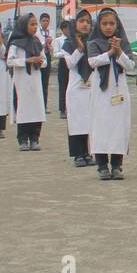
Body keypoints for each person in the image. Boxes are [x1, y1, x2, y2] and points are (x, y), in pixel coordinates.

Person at [86, 7, 134, 179]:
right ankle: (101, 165)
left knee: (118, 128)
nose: (108, 27)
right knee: (101, 127)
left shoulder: (122, 43)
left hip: (119, 91)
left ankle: (117, 165)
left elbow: (130, 66)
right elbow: (92, 62)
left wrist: (119, 51)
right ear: (98, 25)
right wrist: (109, 53)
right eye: (104, 23)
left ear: (117, 25)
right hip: (101, 93)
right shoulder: (93, 43)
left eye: (112, 23)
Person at [7, 13, 46, 150]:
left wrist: (40, 61)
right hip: (22, 81)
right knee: (23, 109)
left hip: (35, 80)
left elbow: (44, 60)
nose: (34, 27)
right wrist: (26, 60)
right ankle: (23, 139)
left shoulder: (37, 42)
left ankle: (35, 138)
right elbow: (10, 61)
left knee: (36, 108)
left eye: (36, 24)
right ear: (24, 25)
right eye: (32, 24)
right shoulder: (16, 44)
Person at [61, 9, 95, 167]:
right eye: (82, 21)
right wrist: (80, 49)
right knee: (76, 121)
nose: (85, 24)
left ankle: (88, 153)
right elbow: (70, 64)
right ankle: (78, 155)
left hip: (91, 87)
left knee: (89, 121)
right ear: (75, 24)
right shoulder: (69, 42)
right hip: (75, 88)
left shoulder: (94, 42)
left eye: (88, 22)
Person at [53, 20, 71, 118]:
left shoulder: (73, 39)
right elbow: (55, 53)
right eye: (66, 28)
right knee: (63, 86)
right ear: (63, 29)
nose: (68, 30)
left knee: (71, 86)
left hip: (72, 62)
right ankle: (62, 109)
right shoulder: (58, 40)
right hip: (63, 63)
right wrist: (65, 54)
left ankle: (70, 108)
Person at [38, 12, 54, 114]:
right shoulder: (37, 32)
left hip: (47, 56)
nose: (45, 22)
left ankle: (44, 105)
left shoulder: (51, 32)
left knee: (45, 82)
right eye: (43, 20)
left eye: (47, 21)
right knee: (37, 82)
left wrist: (49, 44)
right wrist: (45, 43)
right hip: (39, 56)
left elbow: (52, 47)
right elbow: (38, 44)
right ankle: (37, 105)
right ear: (40, 21)